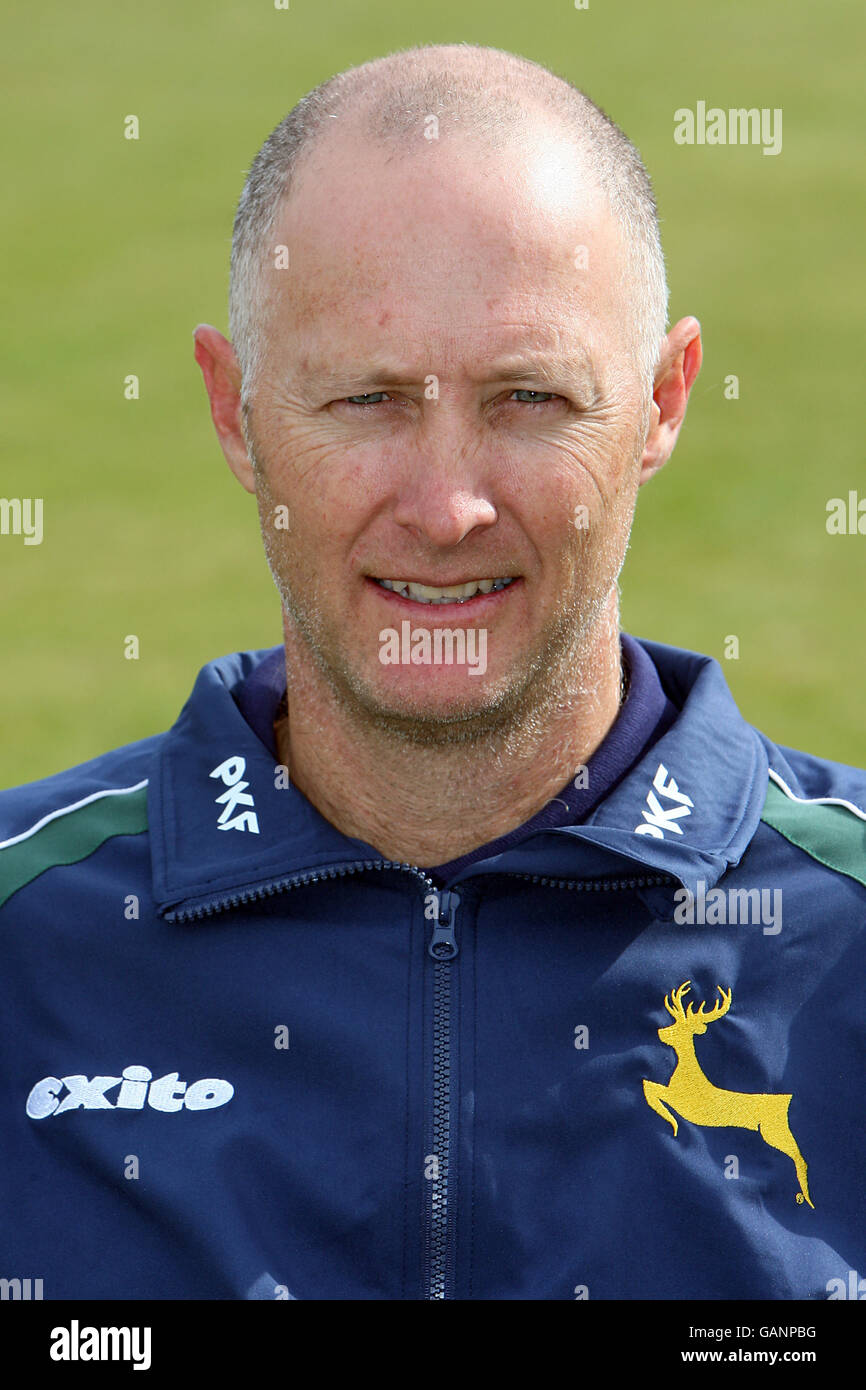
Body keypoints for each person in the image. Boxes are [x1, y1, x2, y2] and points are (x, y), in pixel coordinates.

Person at [1, 42, 864, 1302]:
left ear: (663, 400)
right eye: (363, 400)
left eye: (527, 398)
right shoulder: (24, 947)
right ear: (235, 412)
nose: (447, 504)